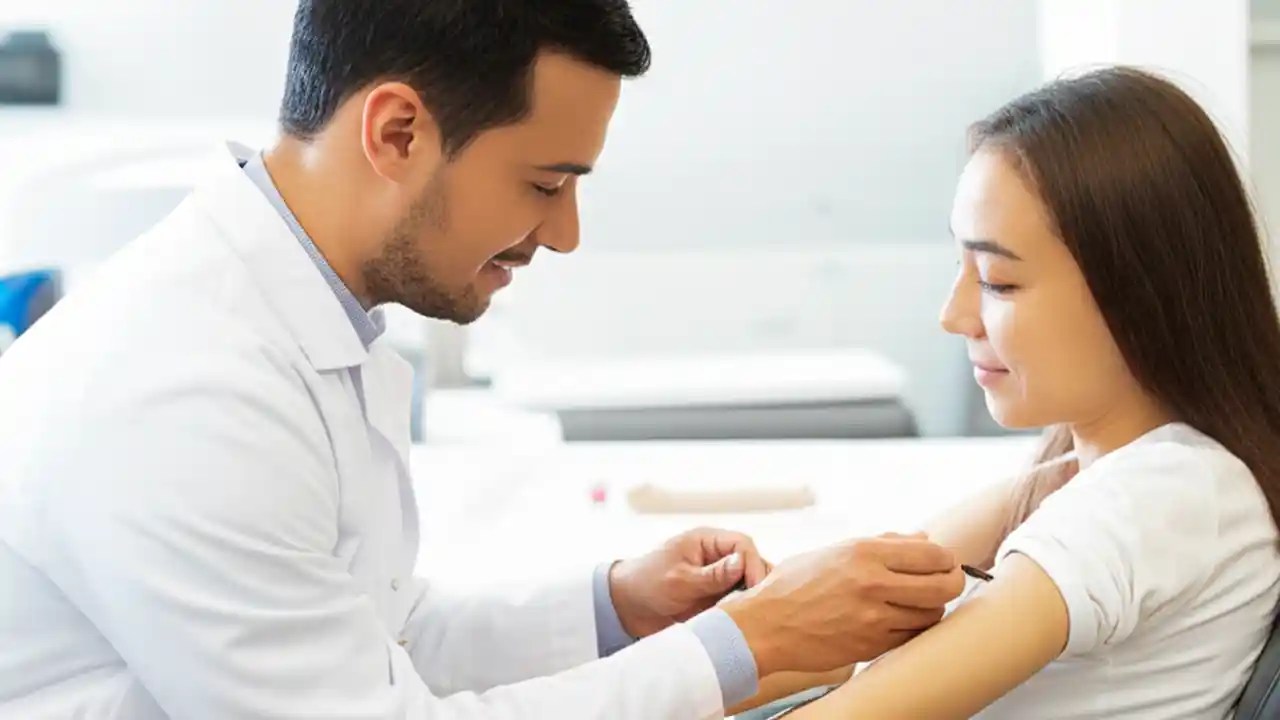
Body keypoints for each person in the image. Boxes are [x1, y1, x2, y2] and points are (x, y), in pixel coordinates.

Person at [0, 2, 966, 718]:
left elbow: (376, 639)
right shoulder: (184, 394)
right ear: (397, 133)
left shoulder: (300, 320)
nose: (566, 232)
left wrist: (615, 607)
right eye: (546, 182)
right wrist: (746, 645)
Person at [748, 67, 1280, 719]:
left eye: (997, 281)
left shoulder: (1158, 495)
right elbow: (837, 630)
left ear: (1141, 293)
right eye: (961, 267)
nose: (954, 315)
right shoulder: (1087, 478)